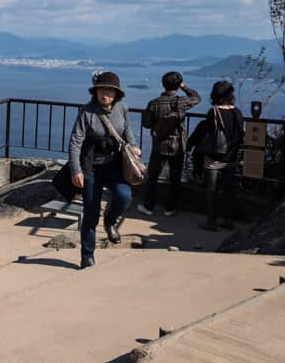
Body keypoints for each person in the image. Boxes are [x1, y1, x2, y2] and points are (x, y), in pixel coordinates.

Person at [68, 72, 141, 269]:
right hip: (91, 166)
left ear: (117, 94)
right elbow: (75, 142)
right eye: (102, 90)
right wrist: (76, 170)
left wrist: (133, 146)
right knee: (90, 212)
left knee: (124, 197)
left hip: (115, 164)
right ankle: (87, 256)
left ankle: (109, 221)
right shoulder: (87, 112)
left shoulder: (122, 108)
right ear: (96, 92)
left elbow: (127, 130)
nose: (105, 94)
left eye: (109, 90)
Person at [138, 72, 201, 217]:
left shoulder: (154, 103)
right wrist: (184, 87)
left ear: (163, 84)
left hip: (159, 145)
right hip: (178, 146)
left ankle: (148, 206)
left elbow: (146, 124)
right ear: (178, 85)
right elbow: (197, 98)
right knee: (174, 178)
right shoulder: (182, 102)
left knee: (152, 177)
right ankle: (170, 208)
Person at [188, 81, 244, 231]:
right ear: (230, 95)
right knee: (229, 190)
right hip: (231, 158)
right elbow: (240, 135)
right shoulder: (237, 113)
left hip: (214, 157)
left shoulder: (213, 112)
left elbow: (211, 135)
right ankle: (229, 220)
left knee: (211, 190)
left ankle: (211, 221)